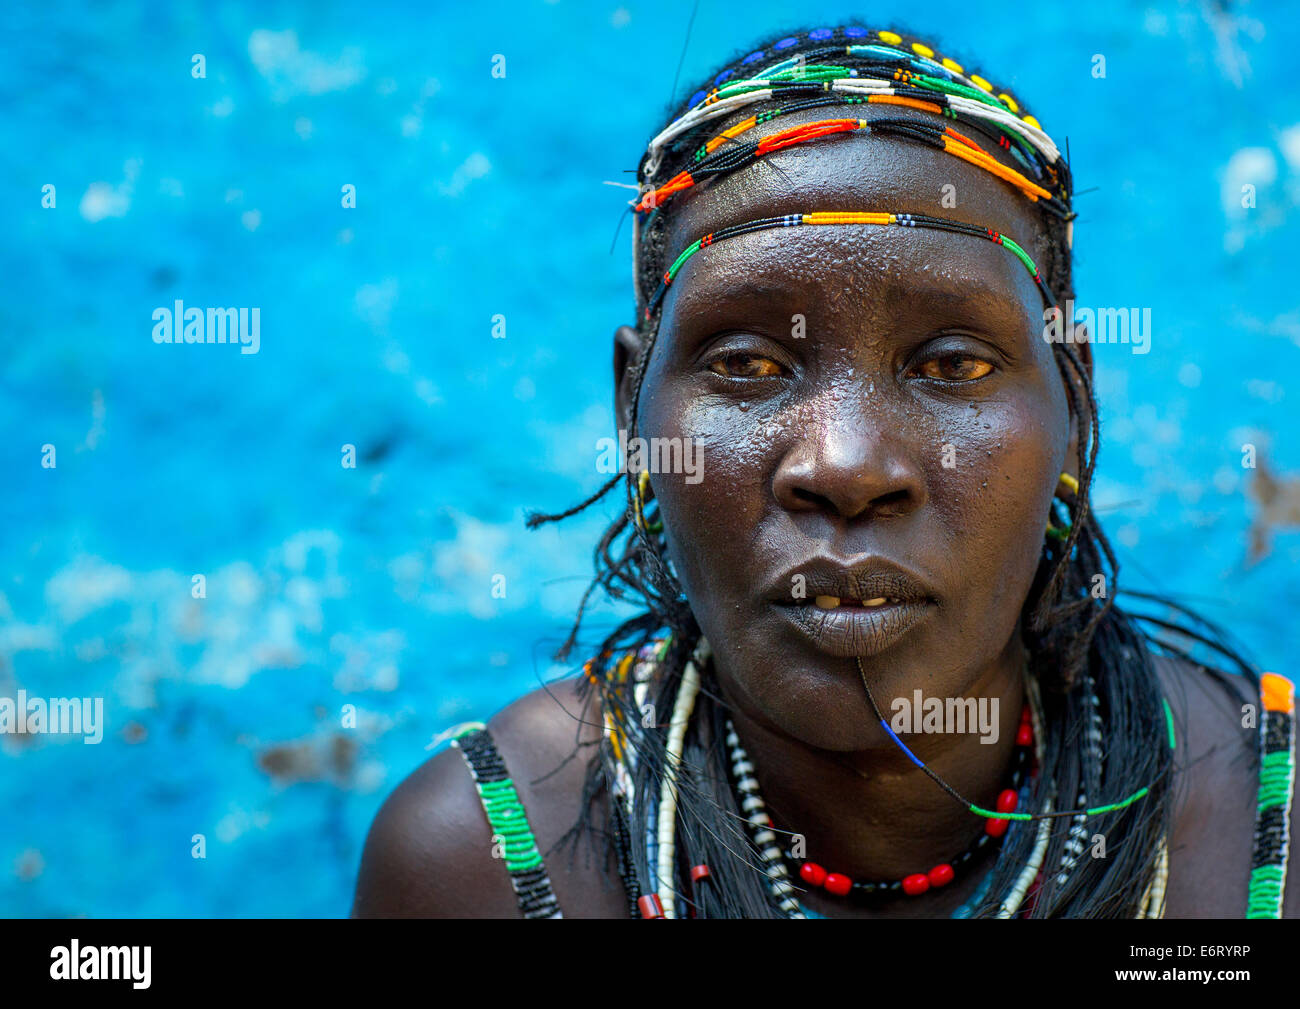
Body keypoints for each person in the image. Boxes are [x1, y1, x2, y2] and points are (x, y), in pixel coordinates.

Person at [351, 23, 1296, 919]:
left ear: (1073, 408)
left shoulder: (1269, 841)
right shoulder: (480, 862)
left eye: (954, 363)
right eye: (747, 366)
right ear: (632, 409)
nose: (845, 467)